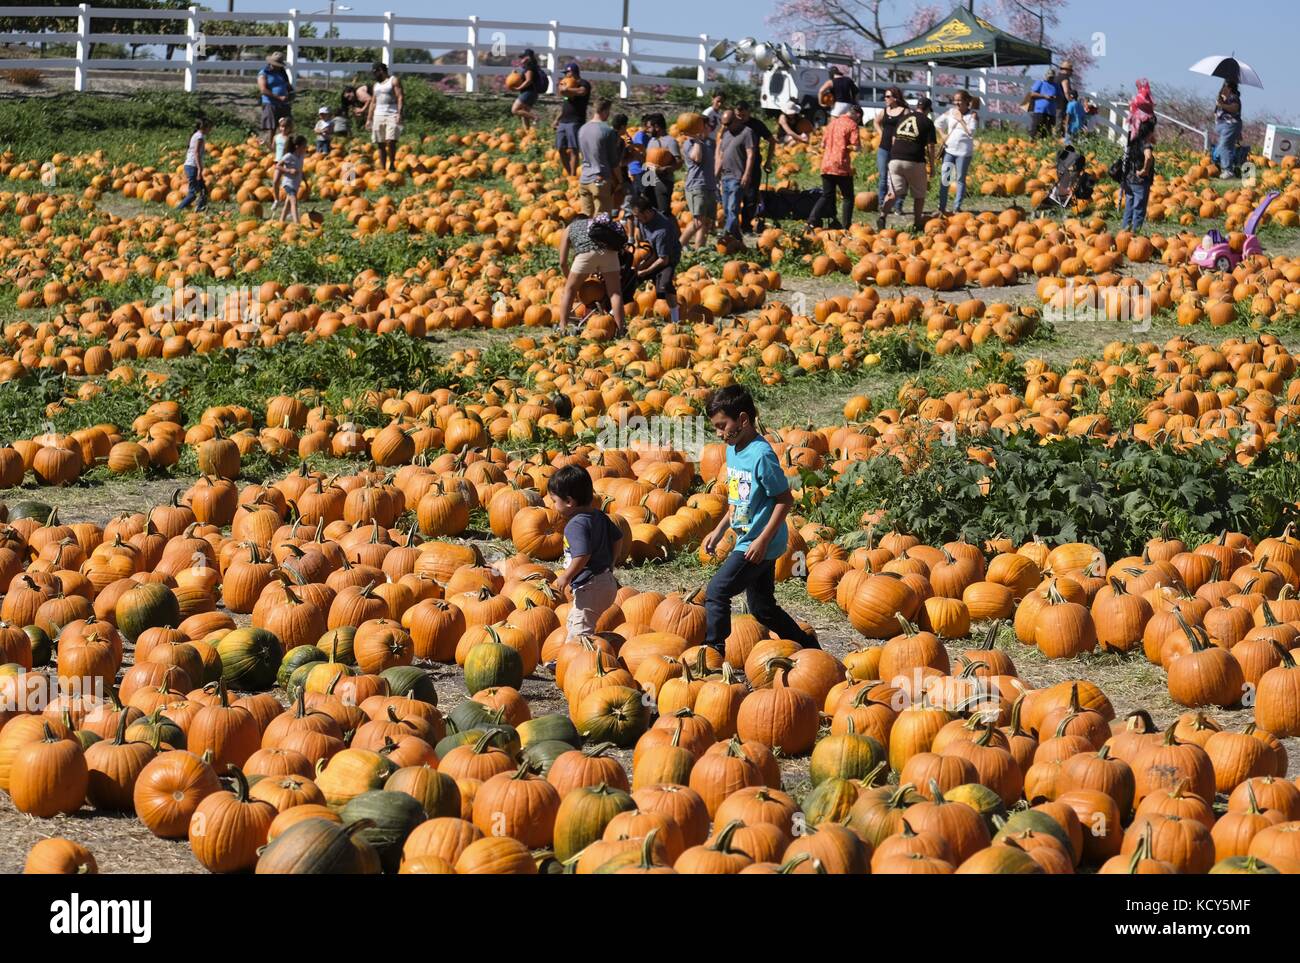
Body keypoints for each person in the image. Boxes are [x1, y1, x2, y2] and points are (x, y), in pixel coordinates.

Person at [701, 385, 821, 658]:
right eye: (715, 428)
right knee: (763, 608)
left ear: (743, 419)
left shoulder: (762, 456)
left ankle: (713, 652)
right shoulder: (733, 450)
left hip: (758, 544)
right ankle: (808, 646)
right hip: (749, 539)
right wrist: (718, 531)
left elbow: (784, 499)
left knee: (717, 591)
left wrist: (762, 540)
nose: (719, 433)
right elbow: (737, 499)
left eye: (723, 426)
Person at [548, 465, 623, 639]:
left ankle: (577, 660)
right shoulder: (599, 515)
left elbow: (583, 555)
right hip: (605, 582)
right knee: (574, 620)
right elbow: (618, 538)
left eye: (554, 501)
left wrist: (566, 576)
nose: (553, 505)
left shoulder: (575, 525)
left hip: (590, 587)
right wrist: (611, 562)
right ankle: (568, 658)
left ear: (569, 501)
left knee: (580, 632)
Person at [556, 213, 627, 336]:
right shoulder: (597, 223)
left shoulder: (570, 228)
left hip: (586, 253)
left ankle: (562, 327)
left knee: (569, 290)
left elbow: (562, 263)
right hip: (609, 252)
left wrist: (573, 282)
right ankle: (621, 329)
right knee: (615, 292)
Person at [880, 96, 935, 232]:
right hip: (914, 160)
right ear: (928, 109)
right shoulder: (927, 122)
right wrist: (932, 166)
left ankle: (882, 216)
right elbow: (931, 147)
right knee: (919, 195)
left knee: (893, 193)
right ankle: (917, 223)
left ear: (917, 106)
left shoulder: (903, 119)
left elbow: (893, 140)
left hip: (895, 159)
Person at [806, 99, 859, 231]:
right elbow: (856, 146)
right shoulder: (852, 124)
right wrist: (851, 148)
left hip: (826, 164)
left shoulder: (832, 123)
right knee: (848, 197)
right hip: (841, 165)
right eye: (859, 119)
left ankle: (811, 221)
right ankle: (846, 226)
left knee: (826, 195)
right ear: (857, 115)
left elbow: (823, 144)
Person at [631, 194, 682, 323]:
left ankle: (675, 318)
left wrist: (645, 271)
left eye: (637, 216)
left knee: (664, 285)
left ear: (647, 213)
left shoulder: (662, 231)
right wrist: (639, 244)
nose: (636, 219)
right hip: (652, 252)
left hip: (668, 257)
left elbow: (663, 260)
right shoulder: (642, 216)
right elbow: (638, 229)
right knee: (631, 277)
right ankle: (618, 310)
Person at [935, 90, 978, 215]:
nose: (957, 103)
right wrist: (942, 134)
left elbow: (971, 132)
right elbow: (937, 122)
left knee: (960, 179)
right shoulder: (951, 112)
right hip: (949, 150)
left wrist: (961, 120)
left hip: (963, 153)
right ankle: (941, 207)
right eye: (955, 100)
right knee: (945, 178)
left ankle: (957, 207)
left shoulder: (973, 115)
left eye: (959, 100)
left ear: (966, 101)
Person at [715, 108, 756, 241]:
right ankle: (737, 239)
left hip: (737, 177)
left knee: (732, 208)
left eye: (728, 124)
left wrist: (747, 174)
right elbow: (721, 156)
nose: (725, 127)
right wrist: (716, 175)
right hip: (725, 177)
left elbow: (751, 155)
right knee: (727, 210)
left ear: (736, 119)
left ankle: (726, 235)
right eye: (724, 124)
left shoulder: (747, 132)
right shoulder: (726, 135)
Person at [735, 103, 775, 232]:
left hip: (753, 166)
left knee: (751, 197)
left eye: (743, 115)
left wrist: (768, 161)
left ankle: (746, 226)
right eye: (738, 115)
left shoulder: (757, 124)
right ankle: (731, 226)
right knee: (734, 196)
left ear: (749, 112)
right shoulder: (733, 123)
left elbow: (772, 140)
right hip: (736, 165)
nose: (740, 118)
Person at [577, 98, 620, 216]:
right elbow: (613, 161)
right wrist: (620, 180)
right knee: (602, 219)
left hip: (584, 179)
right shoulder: (607, 131)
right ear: (605, 111)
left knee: (586, 218)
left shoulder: (582, 129)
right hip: (600, 179)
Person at [682, 122, 717, 248]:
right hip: (697, 185)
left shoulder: (707, 143)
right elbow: (696, 158)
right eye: (707, 126)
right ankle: (678, 246)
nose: (710, 129)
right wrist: (696, 139)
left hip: (709, 185)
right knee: (698, 221)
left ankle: (699, 250)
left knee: (706, 222)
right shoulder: (690, 143)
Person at [873, 87, 907, 211]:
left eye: (887, 96)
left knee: (898, 178)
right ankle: (882, 204)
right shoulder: (885, 111)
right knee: (883, 177)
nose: (885, 99)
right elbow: (876, 122)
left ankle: (898, 205)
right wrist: (881, 133)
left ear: (895, 98)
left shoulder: (905, 112)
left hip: (899, 149)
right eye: (885, 96)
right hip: (884, 148)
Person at [641, 113, 682, 216]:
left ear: (657, 127)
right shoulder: (652, 141)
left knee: (663, 211)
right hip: (649, 178)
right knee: (648, 209)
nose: (648, 130)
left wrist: (666, 169)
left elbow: (679, 162)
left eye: (649, 127)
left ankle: (670, 231)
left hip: (663, 180)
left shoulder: (670, 141)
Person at [555, 63, 592, 178]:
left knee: (573, 149)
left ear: (572, 72)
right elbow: (565, 105)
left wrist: (568, 89)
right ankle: (569, 174)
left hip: (575, 121)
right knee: (561, 148)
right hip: (563, 121)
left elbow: (582, 91)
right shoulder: (567, 87)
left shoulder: (583, 83)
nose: (565, 76)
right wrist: (557, 119)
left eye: (567, 73)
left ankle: (573, 175)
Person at [366, 62, 403, 172]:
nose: (374, 75)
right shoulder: (376, 85)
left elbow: (400, 97)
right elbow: (373, 102)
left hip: (392, 113)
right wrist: (369, 119)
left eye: (375, 72)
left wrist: (399, 113)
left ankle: (391, 164)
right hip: (378, 115)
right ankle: (383, 168)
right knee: (380, 142)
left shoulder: (393, 80)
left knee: (391, 140)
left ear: (380, 70)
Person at [1120, 117, 1156, 234]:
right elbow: (1148, 156)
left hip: (1129, 179)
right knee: (1139, 209)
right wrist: (1145, 170)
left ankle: (1125, 232)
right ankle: (1135, 233)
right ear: (1149, 131)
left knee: (1129, 207)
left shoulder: (1134, 140)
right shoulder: (1146, 144)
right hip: (1140, 181)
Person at [258, 51, 293, 148]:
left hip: (283, 103)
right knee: (271, 127)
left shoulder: (282, 72)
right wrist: (278, 97)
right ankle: (270, 146)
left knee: (286, 124)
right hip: (270, 102)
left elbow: (288, 85)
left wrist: (289, 93)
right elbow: (263, 89)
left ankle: (285, 145)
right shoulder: (264, 73)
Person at [177, 117, 209, 212]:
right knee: (193, 193)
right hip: (193, 167)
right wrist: (199, 169)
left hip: (190, 166)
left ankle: (200, 209)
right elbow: (196, 153)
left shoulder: (196, 135)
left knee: (203, 190)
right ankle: (178, 210)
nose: (211, 130)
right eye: (210, 127)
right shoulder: (199, 137)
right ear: (204, 127)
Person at [1214, 79, 1243, 178]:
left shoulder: (1233, 97)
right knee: (1225, 148)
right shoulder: (1222, 99)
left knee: (1224, 147)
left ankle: (1228, 170)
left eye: (1224, 87)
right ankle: (1229, 168)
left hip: (1230, 125)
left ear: (1229, 88)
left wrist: (1222, 105)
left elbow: (1235, 108)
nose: (1222, 89)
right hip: (1224, 126)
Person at [276, 135, 307, 224]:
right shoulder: (289, 156)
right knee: (294, 202)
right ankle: (297, 223)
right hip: (288, 183)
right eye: (304, 146)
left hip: (296, 183)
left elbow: (300, 170)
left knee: (288, 203)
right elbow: (277, 166)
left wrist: (304, 179)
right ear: (297, 147)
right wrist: (288, 170)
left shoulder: (301, 157)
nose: (305, 148)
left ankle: (281, 221)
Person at [511, 49, 544, 130]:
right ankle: (527, 133)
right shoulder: (532, 67)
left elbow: (528, 81)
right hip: (532, 93)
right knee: (525, 115)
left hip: (528, 93)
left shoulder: (529, 67)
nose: (521, 59)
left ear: (528, 57)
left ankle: (535, 117)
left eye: (523, 57)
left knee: (515, 110)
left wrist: (518, 88)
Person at [269, 115, 292, 215]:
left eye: (286, 127)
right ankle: (277, 200)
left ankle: (289, 205)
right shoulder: (276, 137)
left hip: (287, 162)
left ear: (290, 128)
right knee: (275, 181)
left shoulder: (291, 138)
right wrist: (265, 143)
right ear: (279, 127)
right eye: (282, 127)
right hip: (278, 162)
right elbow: (273, 149)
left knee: (287, 185)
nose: (283, 129)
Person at [1028, 68, 1059, 139]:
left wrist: (1055, 97)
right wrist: (1044, 96)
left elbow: (1060, 96)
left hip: (1051, 112)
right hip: (1040, 111)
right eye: (1049, 77)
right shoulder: (1040, 82)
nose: (1050, 78)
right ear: (1045, 76)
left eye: (1052, 77)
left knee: (1046, 133)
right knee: (1035, 131)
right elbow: (1032, 94)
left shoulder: (1056, 85)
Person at [1055, 61, 1075, 136]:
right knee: (1060, 123)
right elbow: (1066, 91)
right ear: (1067, 70)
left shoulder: (1056, 78)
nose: (1071, 73)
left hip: (1054, 103)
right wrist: (1071, 101)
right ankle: (1058, 139)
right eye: (1070, 70)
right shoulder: (1065, 79)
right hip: (1061, 104)